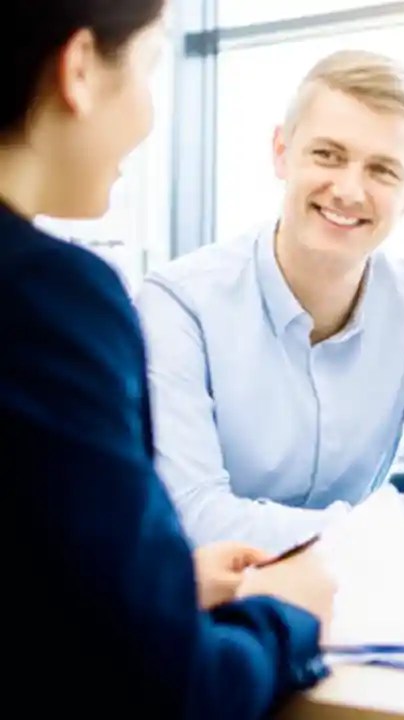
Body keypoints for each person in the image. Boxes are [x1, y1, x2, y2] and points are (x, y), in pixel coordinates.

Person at [2, 1, 336, 716]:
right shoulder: (47, 299)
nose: (152, 117)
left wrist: (158, 584)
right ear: (82, 68)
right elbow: (167, 686)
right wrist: (286, 613)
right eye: (151, 67)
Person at [134, 50, 404, 563]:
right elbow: (196, 517)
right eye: (328, 155)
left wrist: (382, 536)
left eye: (383, 170)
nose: (349, 190)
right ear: (282, 152)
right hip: (216, 613)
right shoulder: (179, 302)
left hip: (366, 605)